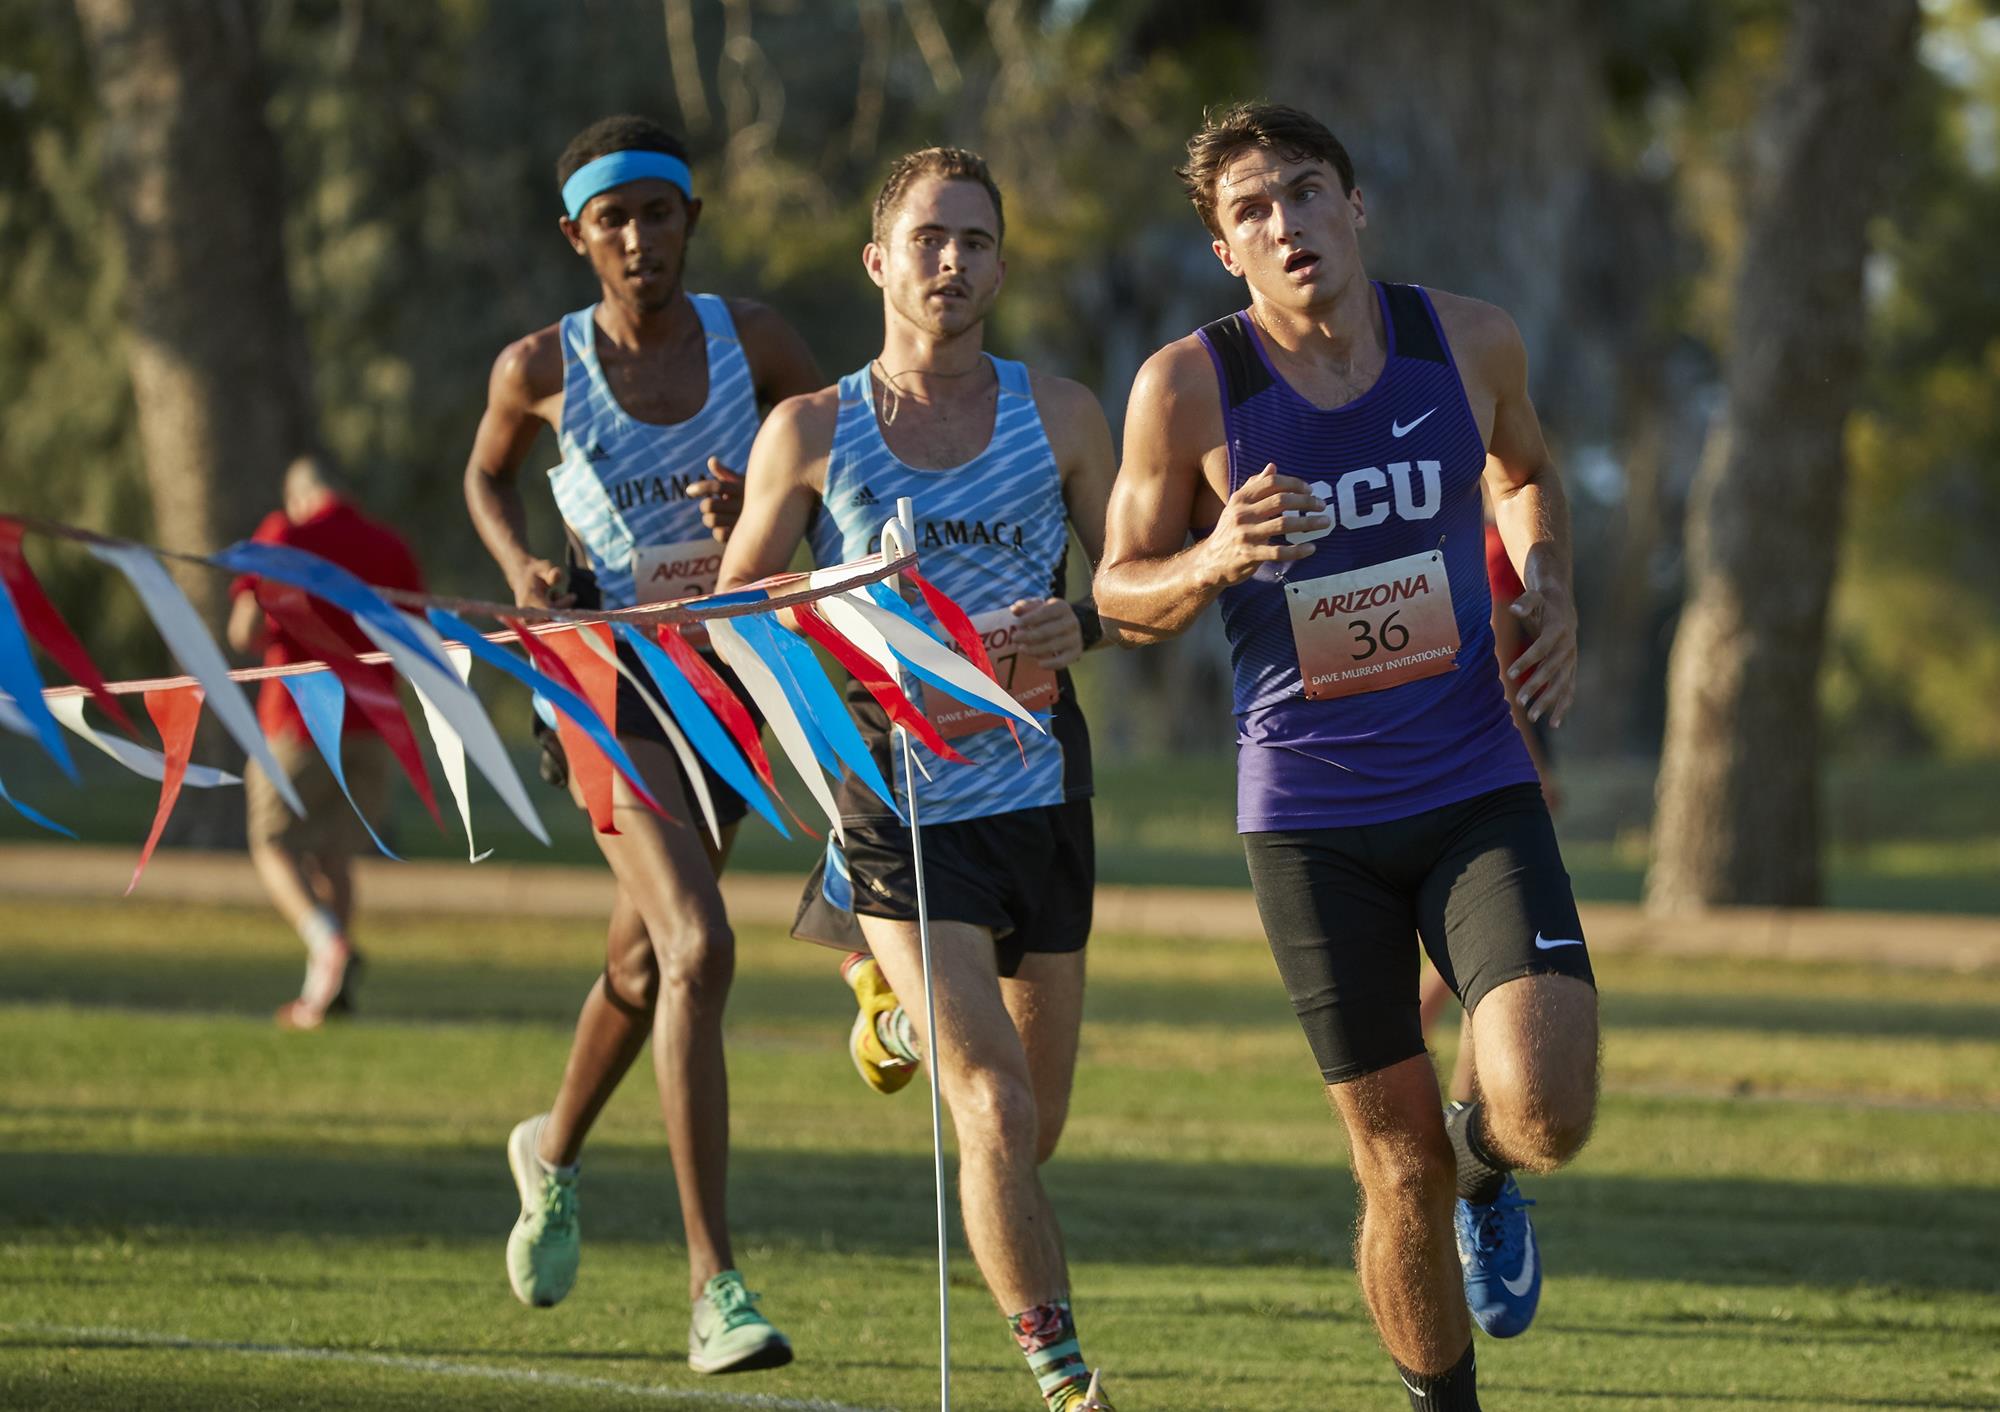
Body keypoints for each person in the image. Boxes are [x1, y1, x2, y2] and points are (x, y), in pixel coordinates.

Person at [1093, 102, 1600, 1412]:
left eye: (1306, 192)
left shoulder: (1467, 339)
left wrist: (1546, 579)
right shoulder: (1190, 388)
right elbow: (1115, 593)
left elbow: (1527, 469)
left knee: (1543, 1111)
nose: (1288, 223)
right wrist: (1212, 557)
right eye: (1251, 211)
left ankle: (1491, 1174)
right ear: (1224, 248)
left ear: (1354, 205)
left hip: (1475, 783)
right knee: (1394, 1172)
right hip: (1310, 824)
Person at [717, 147, 1118, 1412]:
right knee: (990, 1110)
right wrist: (816, 634)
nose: (952, 261)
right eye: (928, 238)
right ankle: (1065, 1381)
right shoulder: (811, 430)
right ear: (877, 260)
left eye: (977, 241)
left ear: (1001, 263)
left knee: (1032, 1130)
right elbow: (729, 610)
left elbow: (1132, 585)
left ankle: (885, 1010)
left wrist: (1083, 625)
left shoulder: (1061, 413)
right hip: (898, 801)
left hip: (1040, 791)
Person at [462, 114, 820, 1374]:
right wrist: (523, 571)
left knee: (640, 960)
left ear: (688, 223)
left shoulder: (755, 340)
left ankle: (550, 1152)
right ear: (577, 238)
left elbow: (828, 456)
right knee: (696, 944)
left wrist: (761, 508)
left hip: (722, 680)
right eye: (610, 221)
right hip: (597, 677)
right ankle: (714, 1283)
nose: (636, 239)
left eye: (656, 214)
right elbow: (486, 478)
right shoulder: (534, 368)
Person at [226, 452, 424, 1031]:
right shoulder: (390, 547)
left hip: (299, 721)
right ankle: (325, 996)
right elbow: (418, 642)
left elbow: (244, 630)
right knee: (333, 854)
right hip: (371, 724)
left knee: (272, 841)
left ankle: (326, 941)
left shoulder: (284, 534)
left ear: (300, 495)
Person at [1418, 509, 1565, 1101]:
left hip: (1467, 745)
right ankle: (1460, 1103)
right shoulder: (1499, 552)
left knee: (1481, 939)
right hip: (1498, 751)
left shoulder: (1458, 541)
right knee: (1497, 940)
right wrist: (1534, 764)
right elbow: (1500, 670)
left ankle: (1443, 1084)